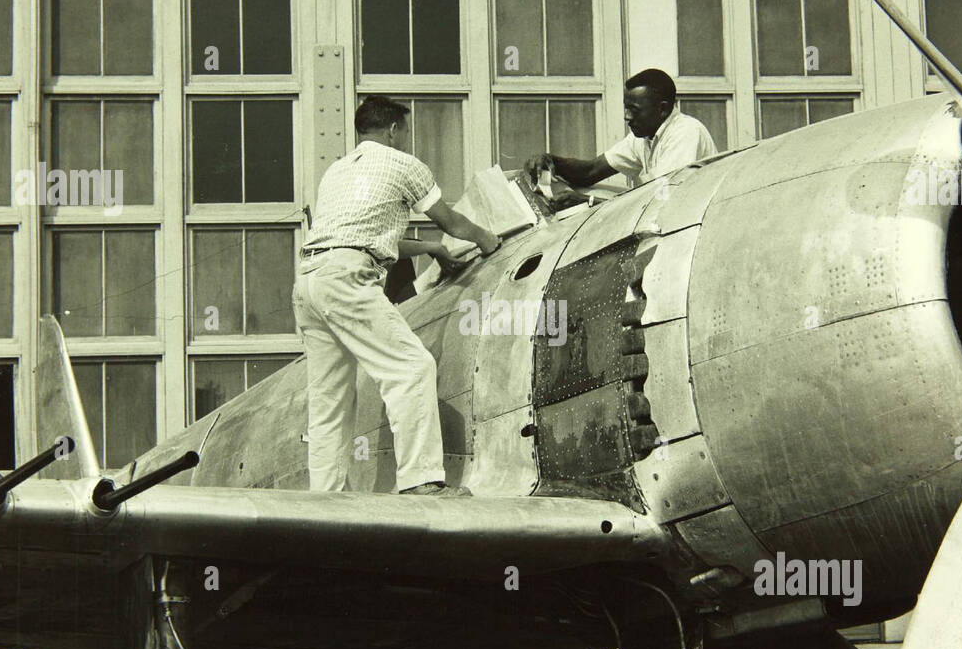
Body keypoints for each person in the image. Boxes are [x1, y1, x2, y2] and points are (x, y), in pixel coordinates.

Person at [294, 95, 500, 496]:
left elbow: (361, 238)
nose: (406, 138)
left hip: (309, 281)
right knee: (411, 367)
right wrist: (487, 239)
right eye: (404, 130)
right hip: (347, 280)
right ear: (393, 129)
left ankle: (325, 499)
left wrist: (430, 249)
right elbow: (450, 221)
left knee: (329, 401)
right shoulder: (404, 164)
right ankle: (420, 481)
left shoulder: (337, 172)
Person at [525, 67, 716, 189]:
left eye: (634, 110)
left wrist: (588, 202)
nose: (627, 117)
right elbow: (590, 171)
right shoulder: (644, 137)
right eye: (626, 108)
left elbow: (659, 197)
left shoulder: (686, 133)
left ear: (663, 109)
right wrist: (551, 161)